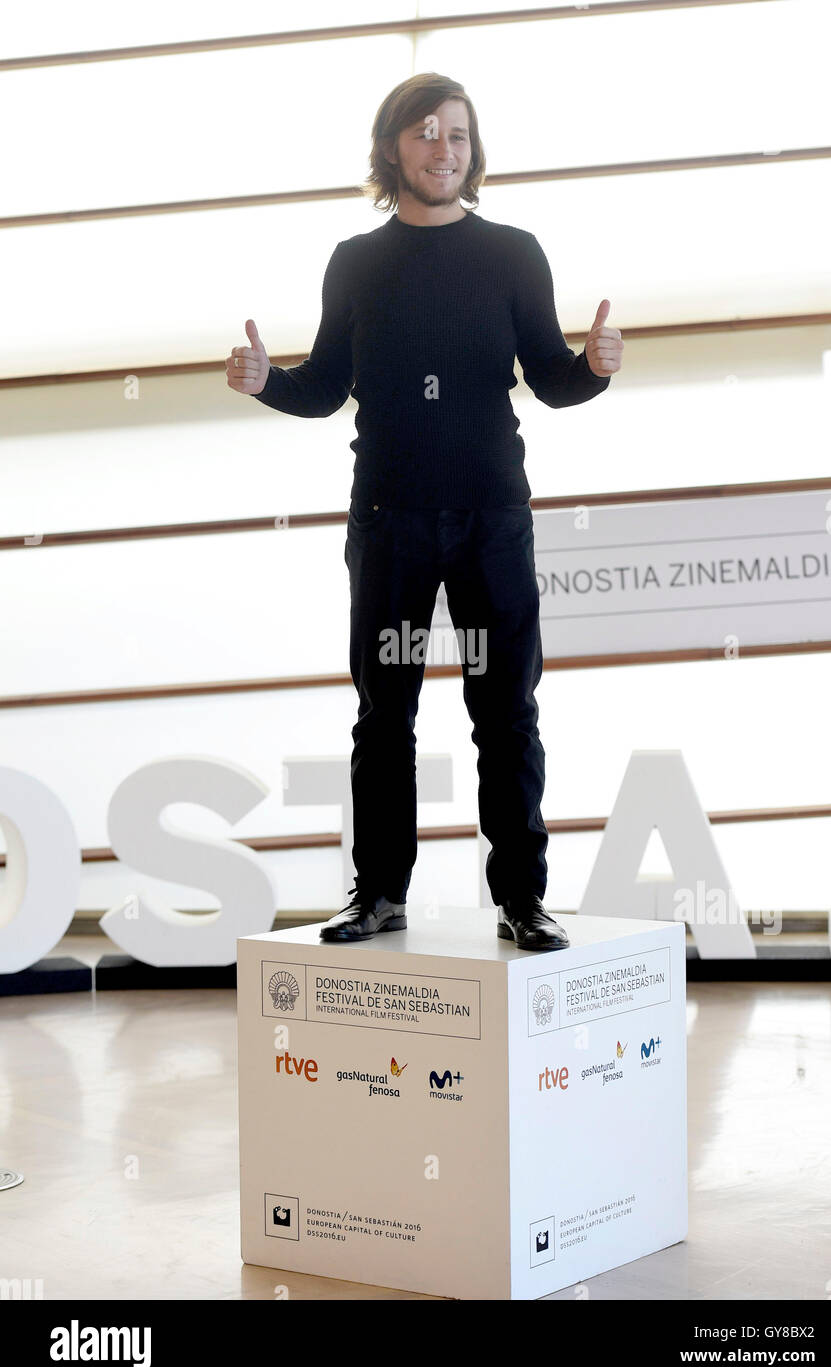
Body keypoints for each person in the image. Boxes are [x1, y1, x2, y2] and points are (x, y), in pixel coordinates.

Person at [226, 73, 623, 950]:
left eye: (458, 136)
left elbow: (552, 383)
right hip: (391, 523)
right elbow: (325, 386)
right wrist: (266, 385)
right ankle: (379, 895)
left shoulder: (513, 252)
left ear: (472, 153)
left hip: (490, 522)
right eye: (425, 133)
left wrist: (593, 366)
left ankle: (522, 901)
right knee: (383, 717)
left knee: (506, 715)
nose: (444, 149)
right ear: (392, 148)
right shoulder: (356, 262)